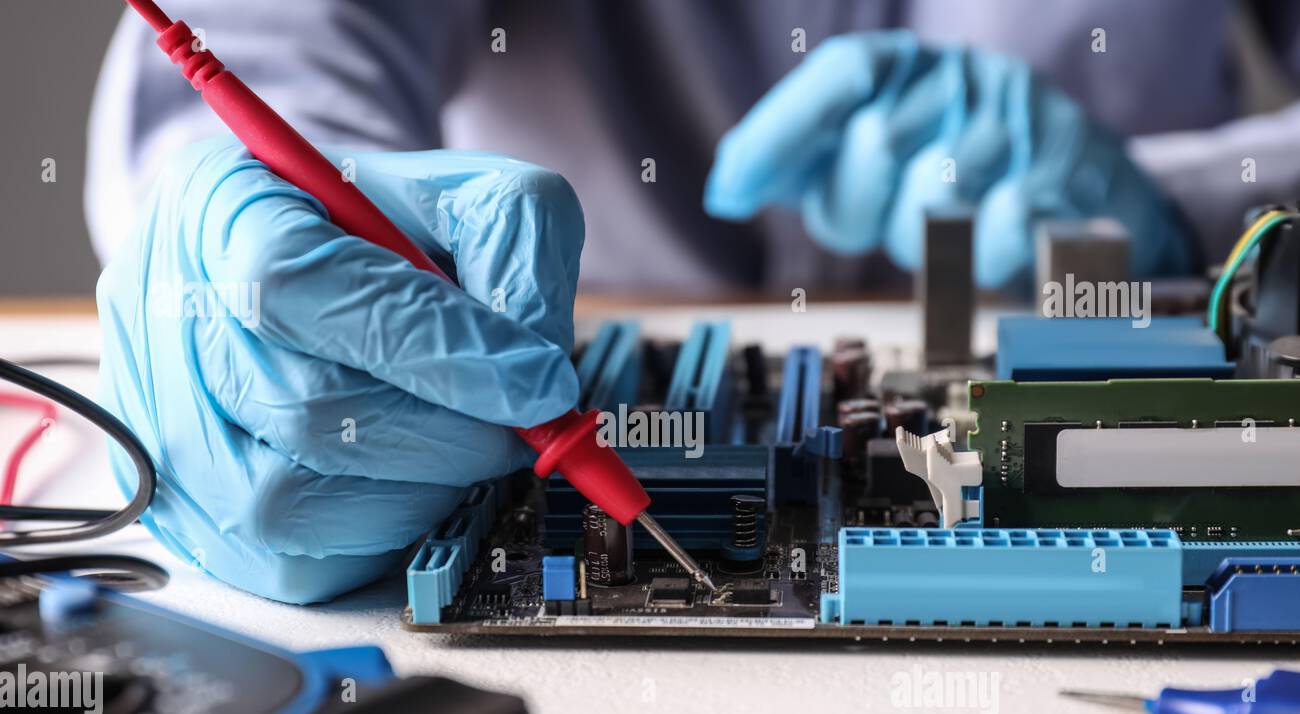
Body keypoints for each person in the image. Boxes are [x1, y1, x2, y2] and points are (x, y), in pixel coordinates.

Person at [87, 0, 1300, 602]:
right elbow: (275, 58)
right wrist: (266, 276)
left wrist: (1192, 211)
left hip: (1143, 308)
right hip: (526, 406)